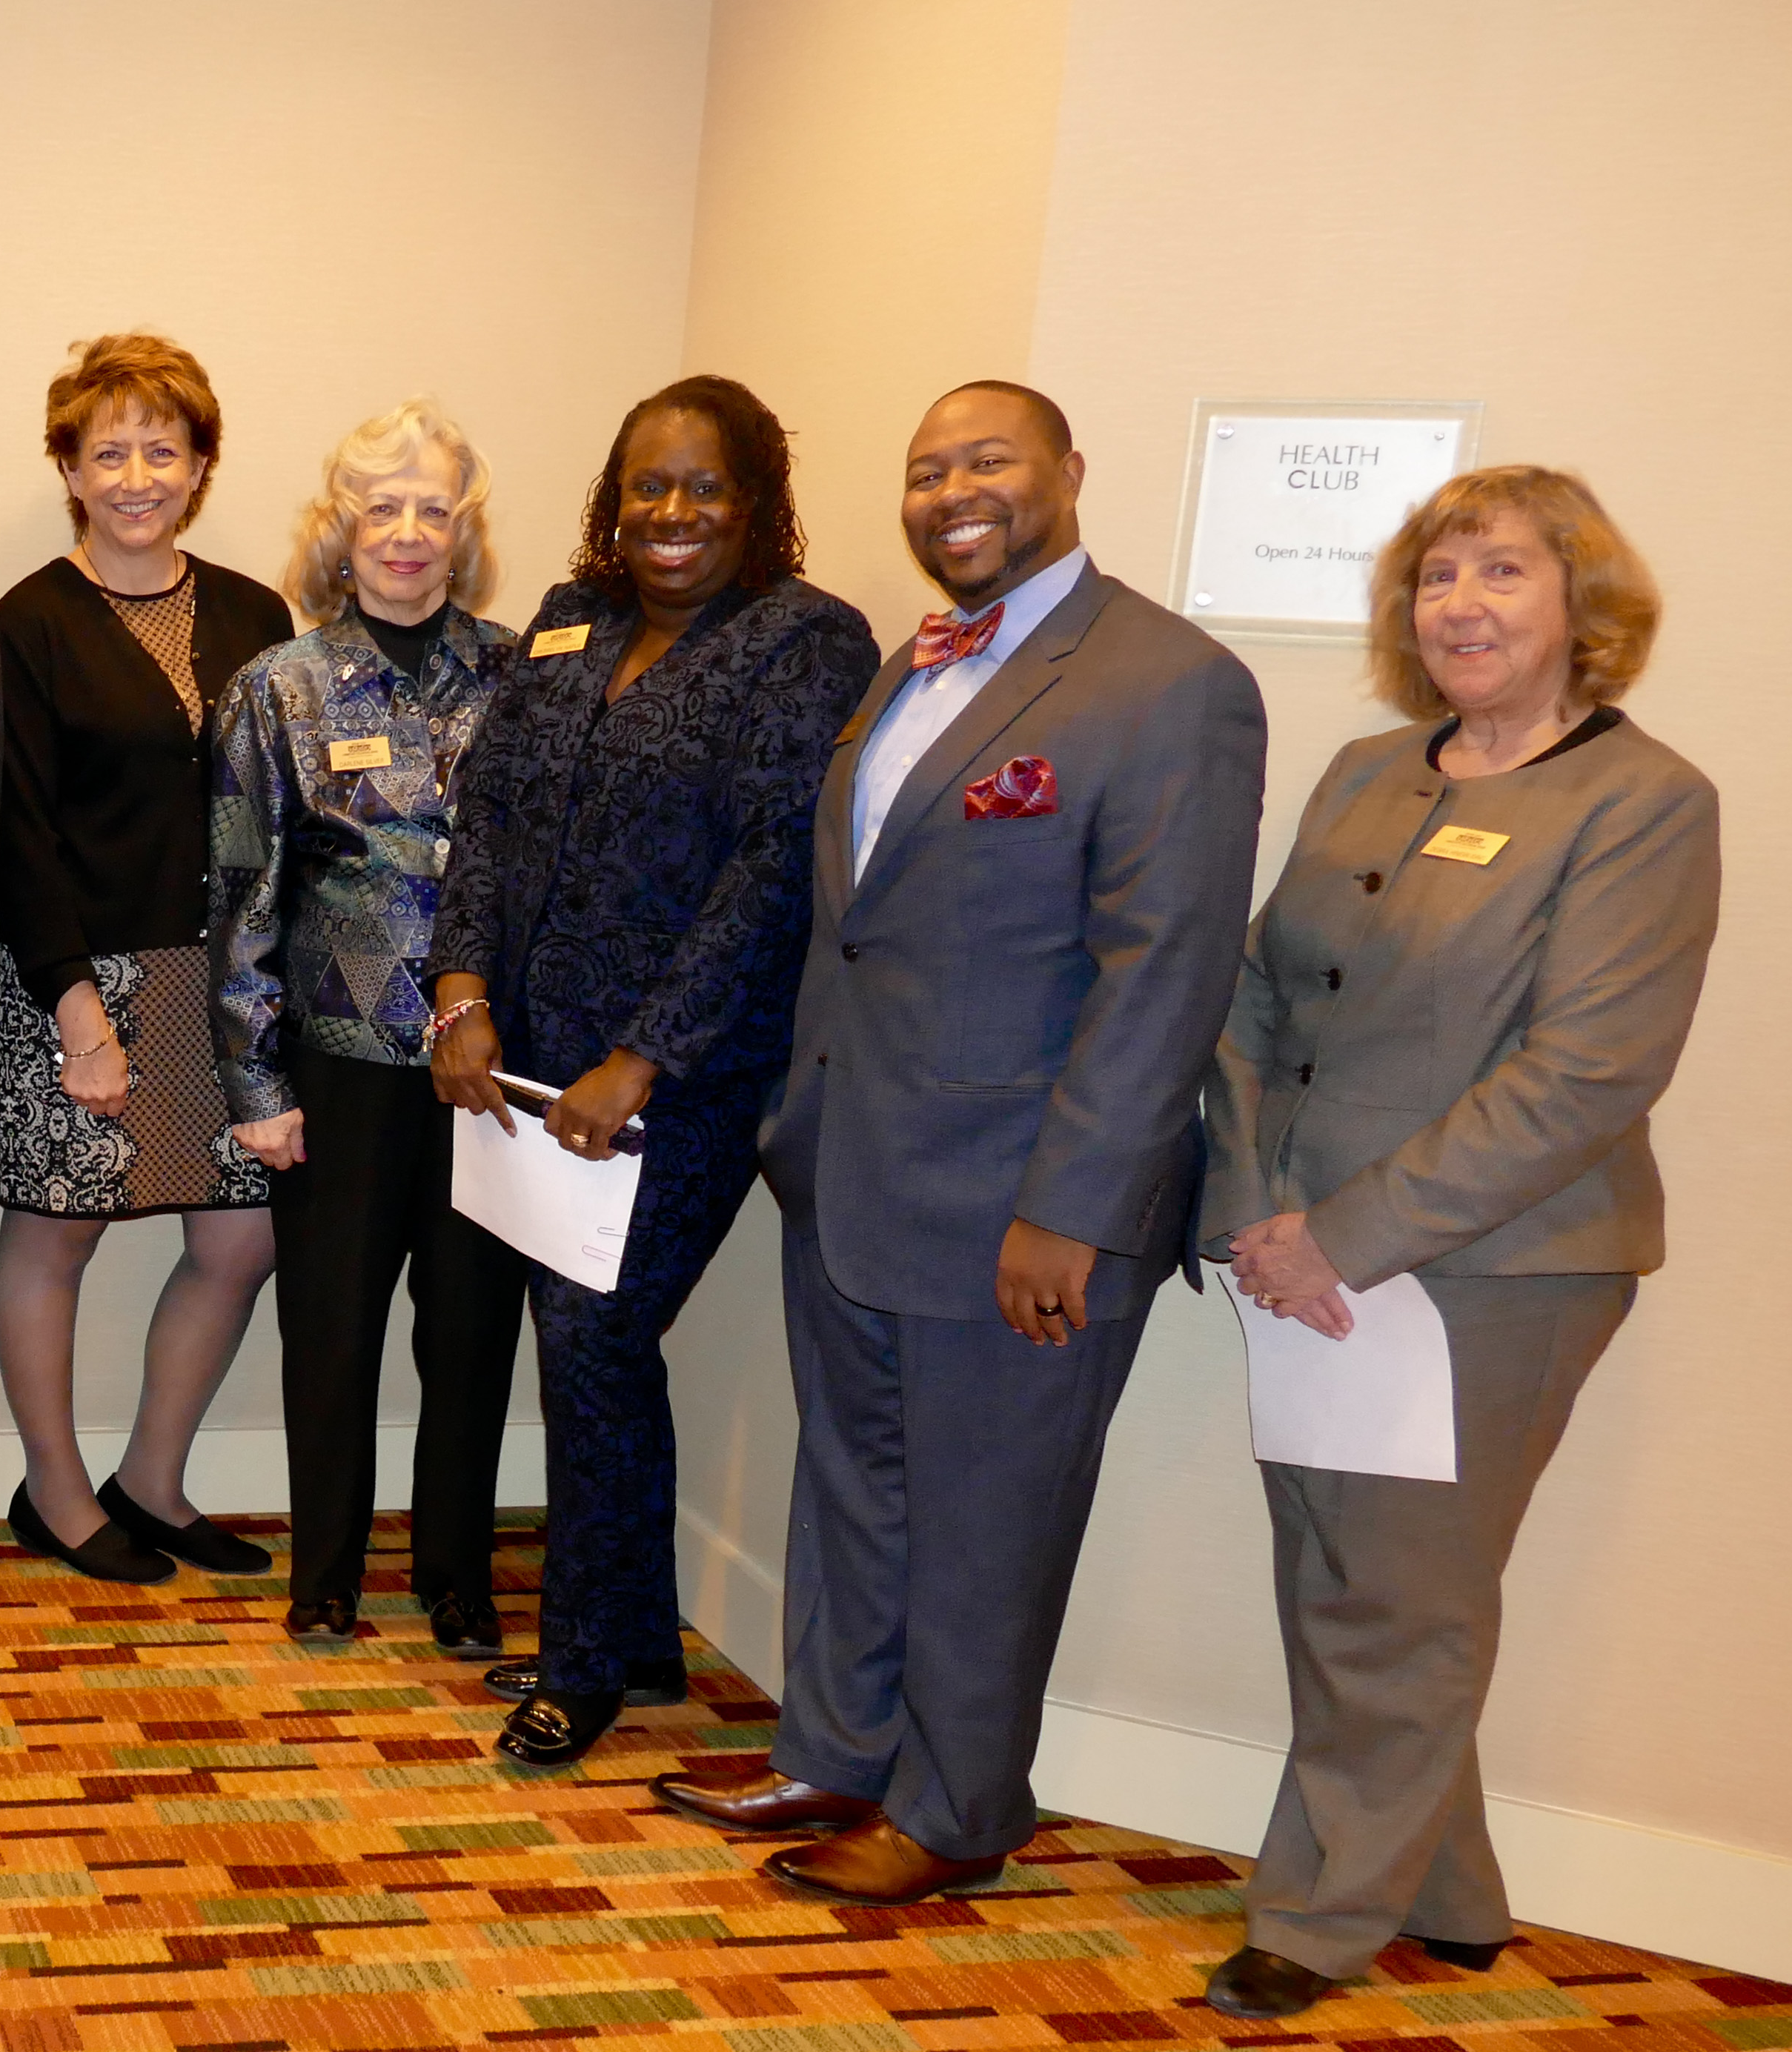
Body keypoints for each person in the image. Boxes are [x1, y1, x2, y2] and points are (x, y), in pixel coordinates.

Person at [651, 382, 1266, 1905]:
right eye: (923, 471)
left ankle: (957, 1809)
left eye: (983, 461)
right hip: (852, 1171)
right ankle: (836, 1753)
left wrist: (1073, 1206)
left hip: (1018, 1210)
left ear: (1066, 469)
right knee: (852, 1489)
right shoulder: (912, 669)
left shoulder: (1164, 682)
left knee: (987, 1524)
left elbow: (1163, 969)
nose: (949, 492)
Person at [1194, 468, 1716, 2016]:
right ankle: (1447, 1887)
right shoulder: (1365, 769)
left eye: (1500, 572)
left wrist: (1340, 1238)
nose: (1460, 606)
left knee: (1390, 1596)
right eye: (1435, 576)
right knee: (1344, 1575)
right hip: (1294, 1244)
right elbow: (1252, 996)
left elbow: (1584, 1076)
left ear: (1580, 605)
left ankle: (1313, 1921)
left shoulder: (1641, 802)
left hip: (1499, 1270)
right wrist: (1247, 1205)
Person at [426, 376, 879, 1764]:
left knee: (595, 1335)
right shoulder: (573, 615)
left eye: (703, 485)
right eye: (647, 486)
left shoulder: (805, 642)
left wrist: (646, 1055)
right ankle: (633, 1638)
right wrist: (460, 989)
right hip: (525, 1062)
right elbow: (489, 811)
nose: (672, 513)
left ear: (758, 496)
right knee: (588, 1348)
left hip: (683, 1073)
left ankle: (584, 1664)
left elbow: (772, 872)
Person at [208, 399, 534, 1656]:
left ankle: (457, 1576)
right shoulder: (276, 688)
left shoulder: (526, 676)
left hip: (485, 1074)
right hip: (335, 1078)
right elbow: (241, 895)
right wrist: (256, 1085)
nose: (406, 532)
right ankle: (327, 1575)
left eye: (432, 509)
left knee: (470, 1338)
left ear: (464, 531)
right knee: (330, 1338)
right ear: (341, 531)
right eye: (380, 508)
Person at [0, 333, 289, 1585]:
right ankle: (53, 1491)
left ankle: (151, 1480)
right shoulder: (27, 623)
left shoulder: (258, 612)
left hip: (230, 979)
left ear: (203, 462)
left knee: (240, 1241)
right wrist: (78, 1013)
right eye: (106, 449)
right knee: (55, 1234)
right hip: (86, 977)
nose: (135, 473)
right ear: (67, 464)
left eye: (161, 447)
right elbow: (19, 834)